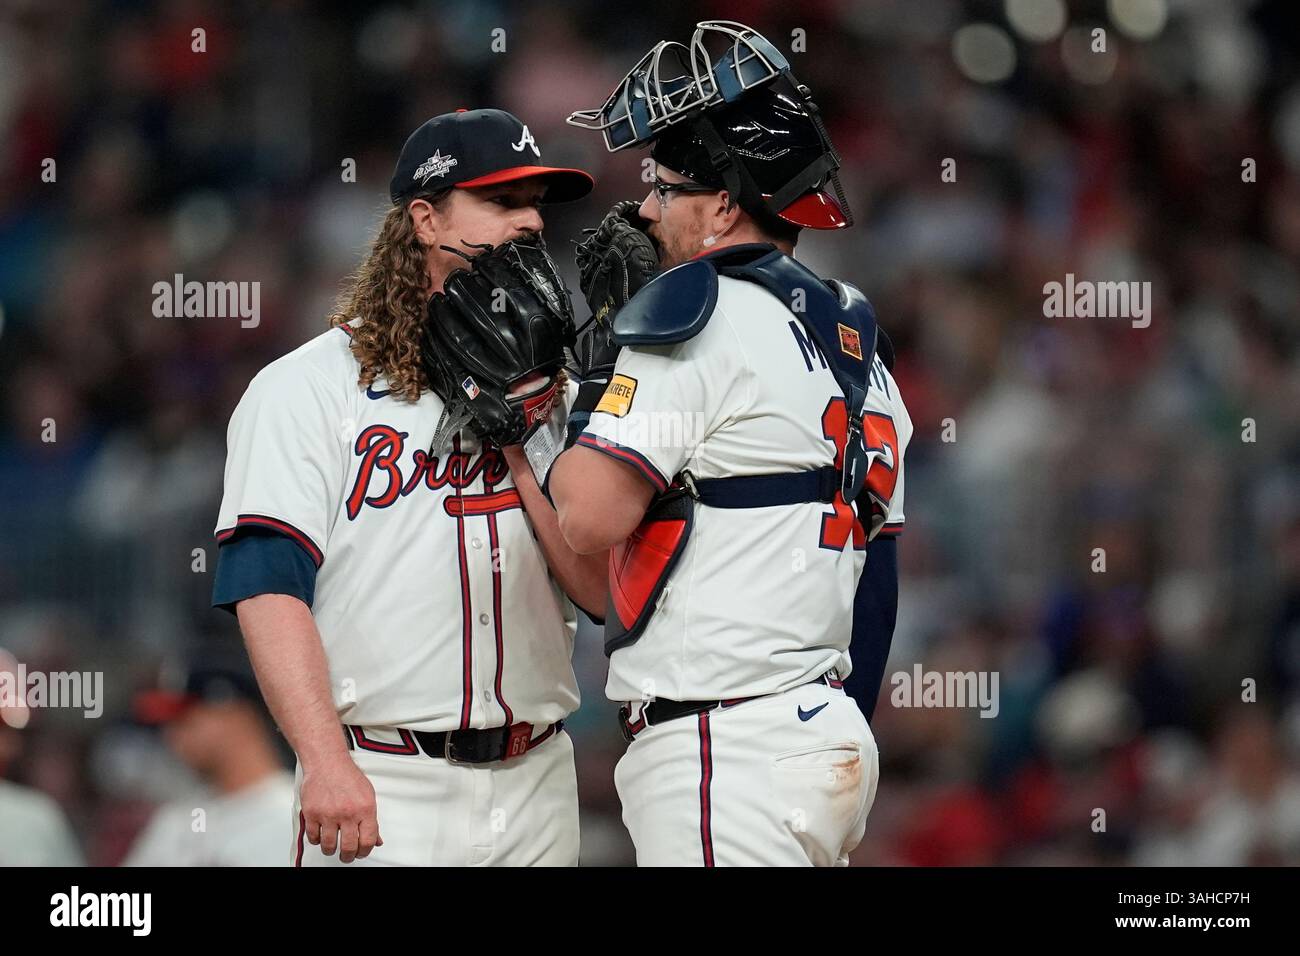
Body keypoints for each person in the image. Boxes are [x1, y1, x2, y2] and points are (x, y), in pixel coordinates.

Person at [540, 21, 912, 866]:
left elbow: (589, 519)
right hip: (826, 733)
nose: (643, 208)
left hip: (726, 742)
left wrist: (603, 363)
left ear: (720, 204)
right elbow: (877, 584)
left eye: (665, 187)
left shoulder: (691, 320)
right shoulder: (860, 340)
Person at [211, 108, 605, 866]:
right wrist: (325, 761)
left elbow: (598, 590)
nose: (528, 222)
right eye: (500, 201)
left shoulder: (556, 390)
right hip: (381, 777)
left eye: (535, 204)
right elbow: (267, 588)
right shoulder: (307, 388)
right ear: (425, 219)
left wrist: (520, 441)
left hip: (537, 781)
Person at [124, 648, 295, 866]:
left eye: (186, 719)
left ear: (236, 714)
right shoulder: (173, 821)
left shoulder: (300, 815)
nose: (172, 735)